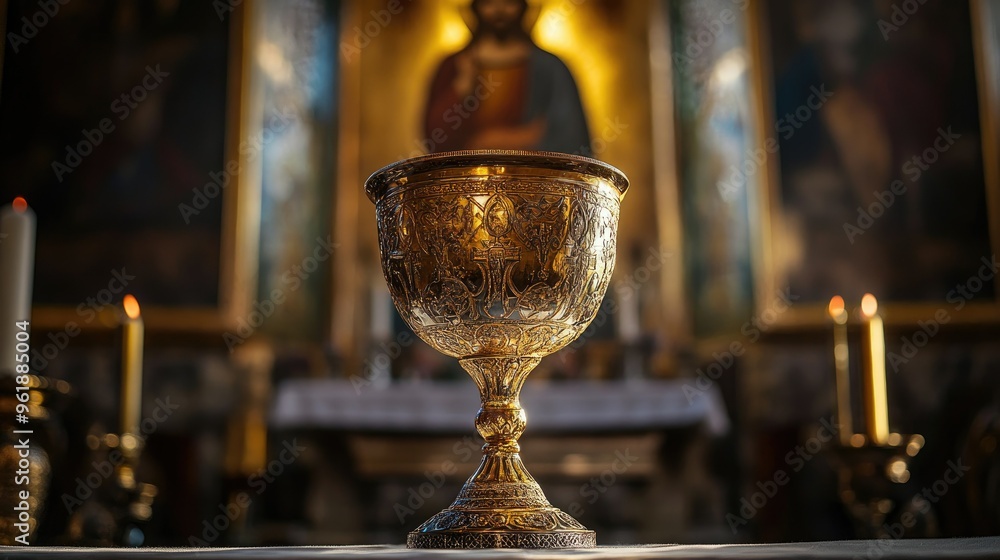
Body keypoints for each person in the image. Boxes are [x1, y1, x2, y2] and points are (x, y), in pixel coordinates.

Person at [424, 0, 591, 155]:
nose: (499, 10)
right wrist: (461, 88)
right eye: (489, 2)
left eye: (509, 1)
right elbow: (435, 139)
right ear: (476, 7)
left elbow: (572, 139)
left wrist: (504, 140)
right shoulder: (455, 66)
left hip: (532, 178)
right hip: (468, 179)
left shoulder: (549, 67)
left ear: (522, 6)